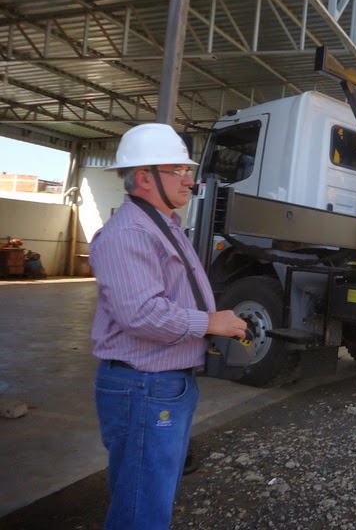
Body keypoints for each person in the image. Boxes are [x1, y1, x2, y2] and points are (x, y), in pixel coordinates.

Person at [90, 122, 247, 530]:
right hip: (144, 386)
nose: (190, 180)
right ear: (144, 177)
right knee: (143, 506)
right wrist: (210, 321)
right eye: (178, 170)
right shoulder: (129, 234)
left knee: (146, 494)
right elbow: (142, 315)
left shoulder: (163, 225)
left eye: (187, 170)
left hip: (160, 384)